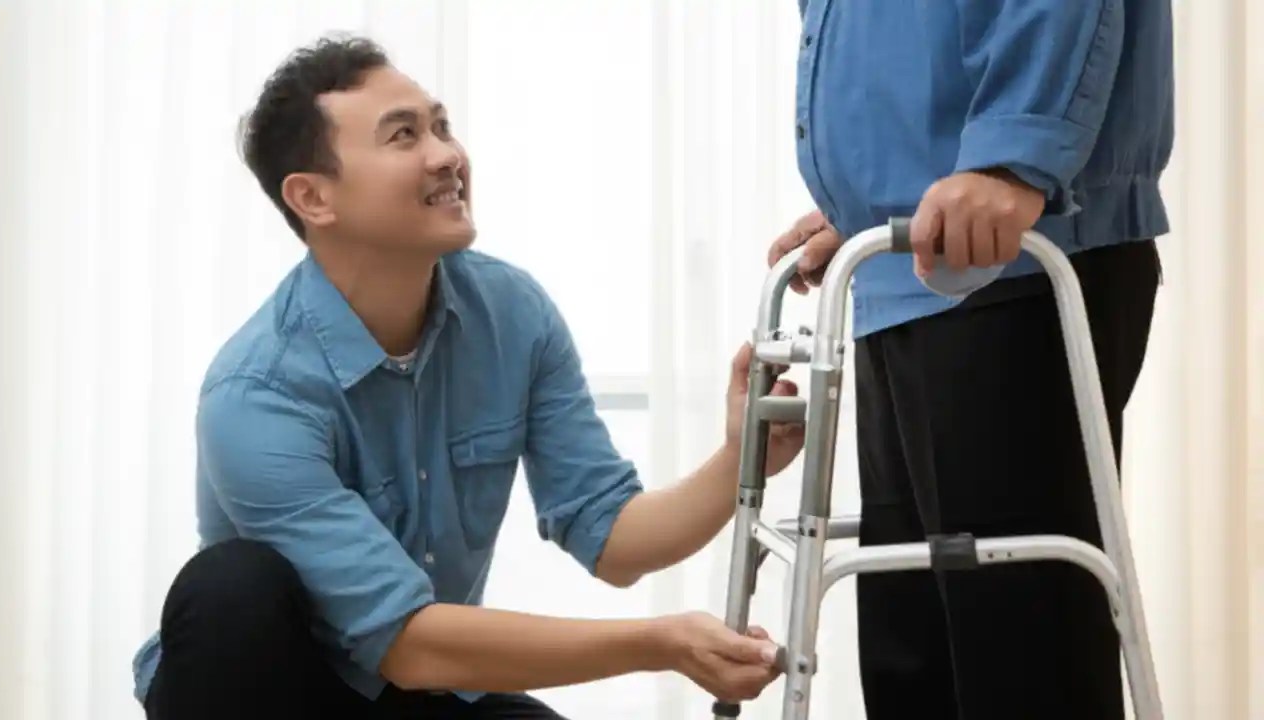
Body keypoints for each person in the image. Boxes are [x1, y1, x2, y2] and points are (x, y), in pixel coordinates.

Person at [132, 35, 805, 720]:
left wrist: (737, 459)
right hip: (283, 691)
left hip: (423, 685)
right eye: (403, 136)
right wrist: (660, 644)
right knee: (229, 587)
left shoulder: (512, 314)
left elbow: (613, 540)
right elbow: (405, 642)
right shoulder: (255, 393)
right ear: (313, 198)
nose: (447, 155)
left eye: (441, 127)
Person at [768, 2, 1172, 719]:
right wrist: (869, 194)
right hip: (910, 263)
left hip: (1007, 259)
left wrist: (1011, 156)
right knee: (914, 655)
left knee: (1018, 660)